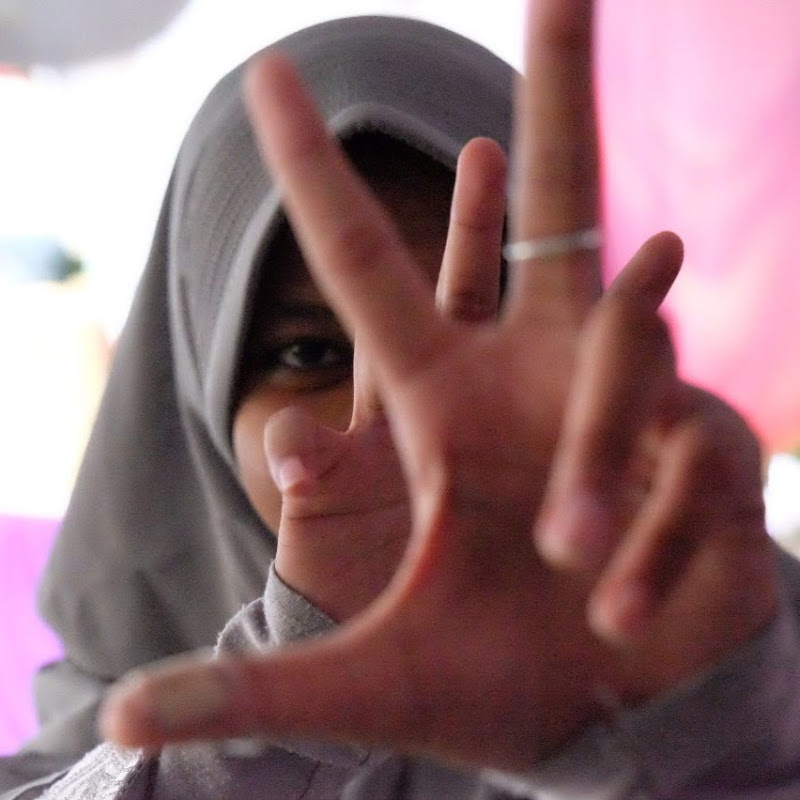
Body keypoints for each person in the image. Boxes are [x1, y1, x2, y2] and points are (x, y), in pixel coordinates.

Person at [3, 5, 800, 799]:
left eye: (483, 333)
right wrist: (266, 714)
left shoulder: (732, 644)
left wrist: (696, 747)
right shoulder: (111, 734)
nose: (407, 425)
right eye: (309, 355)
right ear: (199, 411)